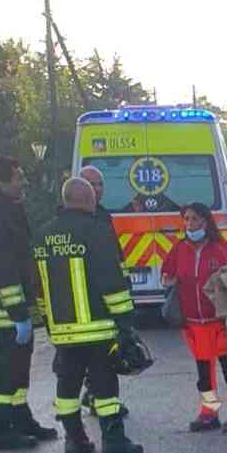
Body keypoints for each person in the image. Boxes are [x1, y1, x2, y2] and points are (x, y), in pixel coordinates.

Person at [34, 177, 143, 453]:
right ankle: (114, 441)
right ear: (88, 201)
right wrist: (125, 320)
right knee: (104, 383)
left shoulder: (44, 234)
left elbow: (37, 286)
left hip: (62, 331)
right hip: (97, 329)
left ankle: (74, 440)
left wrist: (48, 322)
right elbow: (111, 280)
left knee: (67, 385)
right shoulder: (97, 231)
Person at [0, 156, 56, 450]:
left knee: (19, 365)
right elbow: (1, 267)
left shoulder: (10, 210)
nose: (23, 181)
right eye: (17, 177)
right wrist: (16, 311)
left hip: (16, 305)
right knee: (4, 366)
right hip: (1, 309)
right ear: (1, 182)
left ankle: (20, 418)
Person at [161, 202, 227, 433]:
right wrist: (169, 280)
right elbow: (167, 273)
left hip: (220, 321)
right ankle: (208, 413)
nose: (190, 224)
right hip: (193, 322)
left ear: (205, 222)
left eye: (194, 219)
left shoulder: (221, 249)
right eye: (186, 219)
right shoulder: (179, 249)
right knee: (203, 372)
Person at [78, 165, 130, 418]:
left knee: (104, 352)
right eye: (92, 184)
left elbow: (114, 255)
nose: (97, 190)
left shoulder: (102, 215)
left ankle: (94, 395)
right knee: (97, 356)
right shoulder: (79, 219)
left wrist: (124, 284)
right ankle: (100, 400)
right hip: (86, 297)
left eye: (100, 184)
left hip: (105, 294)